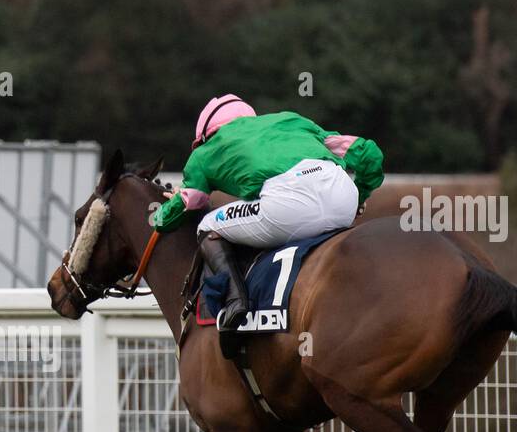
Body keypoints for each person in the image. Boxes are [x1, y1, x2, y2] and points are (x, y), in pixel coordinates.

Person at [151, 94, 384, 332]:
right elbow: (367, 153)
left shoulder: (204, 151)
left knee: (207, 225)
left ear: (204, 136)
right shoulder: (291, 120)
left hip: (289, 205)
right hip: (342, 191)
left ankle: (235, 301)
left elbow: (189, 203)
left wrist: (162, 213)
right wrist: (359, 196)